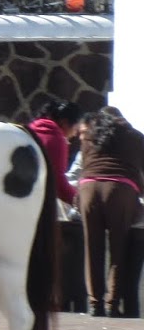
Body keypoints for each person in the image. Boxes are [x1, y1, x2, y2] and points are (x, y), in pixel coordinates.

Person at [76, 106, 144, 318]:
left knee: (92, 247)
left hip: (88, 189)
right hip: (120, 191)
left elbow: (83, 165)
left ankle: (94, 304)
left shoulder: (90, 136)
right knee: (118, 249)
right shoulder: (136, 137)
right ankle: (112, 304)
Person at [28, 99, 82, 207]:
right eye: (76, 127)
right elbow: (58, 183)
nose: (76, 133)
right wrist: (80, 203)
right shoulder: (56, 138)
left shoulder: (32, 129)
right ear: (65, 122)